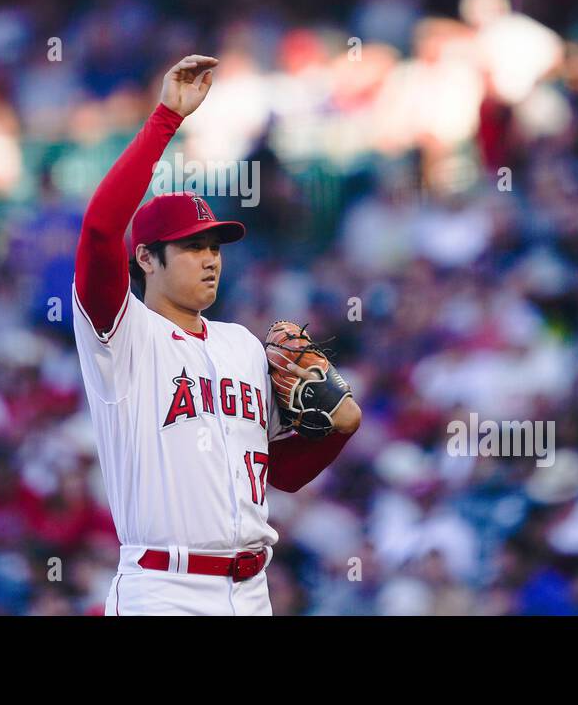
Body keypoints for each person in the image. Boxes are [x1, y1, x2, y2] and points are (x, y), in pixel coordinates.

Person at [71, 54, 361, 616]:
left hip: (252, 591)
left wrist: (337, 433)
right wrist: (165, 120)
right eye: (191, 248)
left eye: (214, 247)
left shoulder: (243, 346)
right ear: (147, 259)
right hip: (162, 589)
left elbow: (280, 475)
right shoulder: (121, 334)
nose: (209, 260)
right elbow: (102, 228)